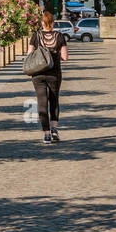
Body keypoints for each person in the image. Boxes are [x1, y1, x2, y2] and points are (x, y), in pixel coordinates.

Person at [29, 11, 68, 145]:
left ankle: (46, 134)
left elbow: (30, 55)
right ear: (52, 23)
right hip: (54, 74)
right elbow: (65, 57)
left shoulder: (36, 36)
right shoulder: (60, 36)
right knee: (54, 100)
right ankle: (54, 130)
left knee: (42, 103)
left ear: (42, 23)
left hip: (38, 74)